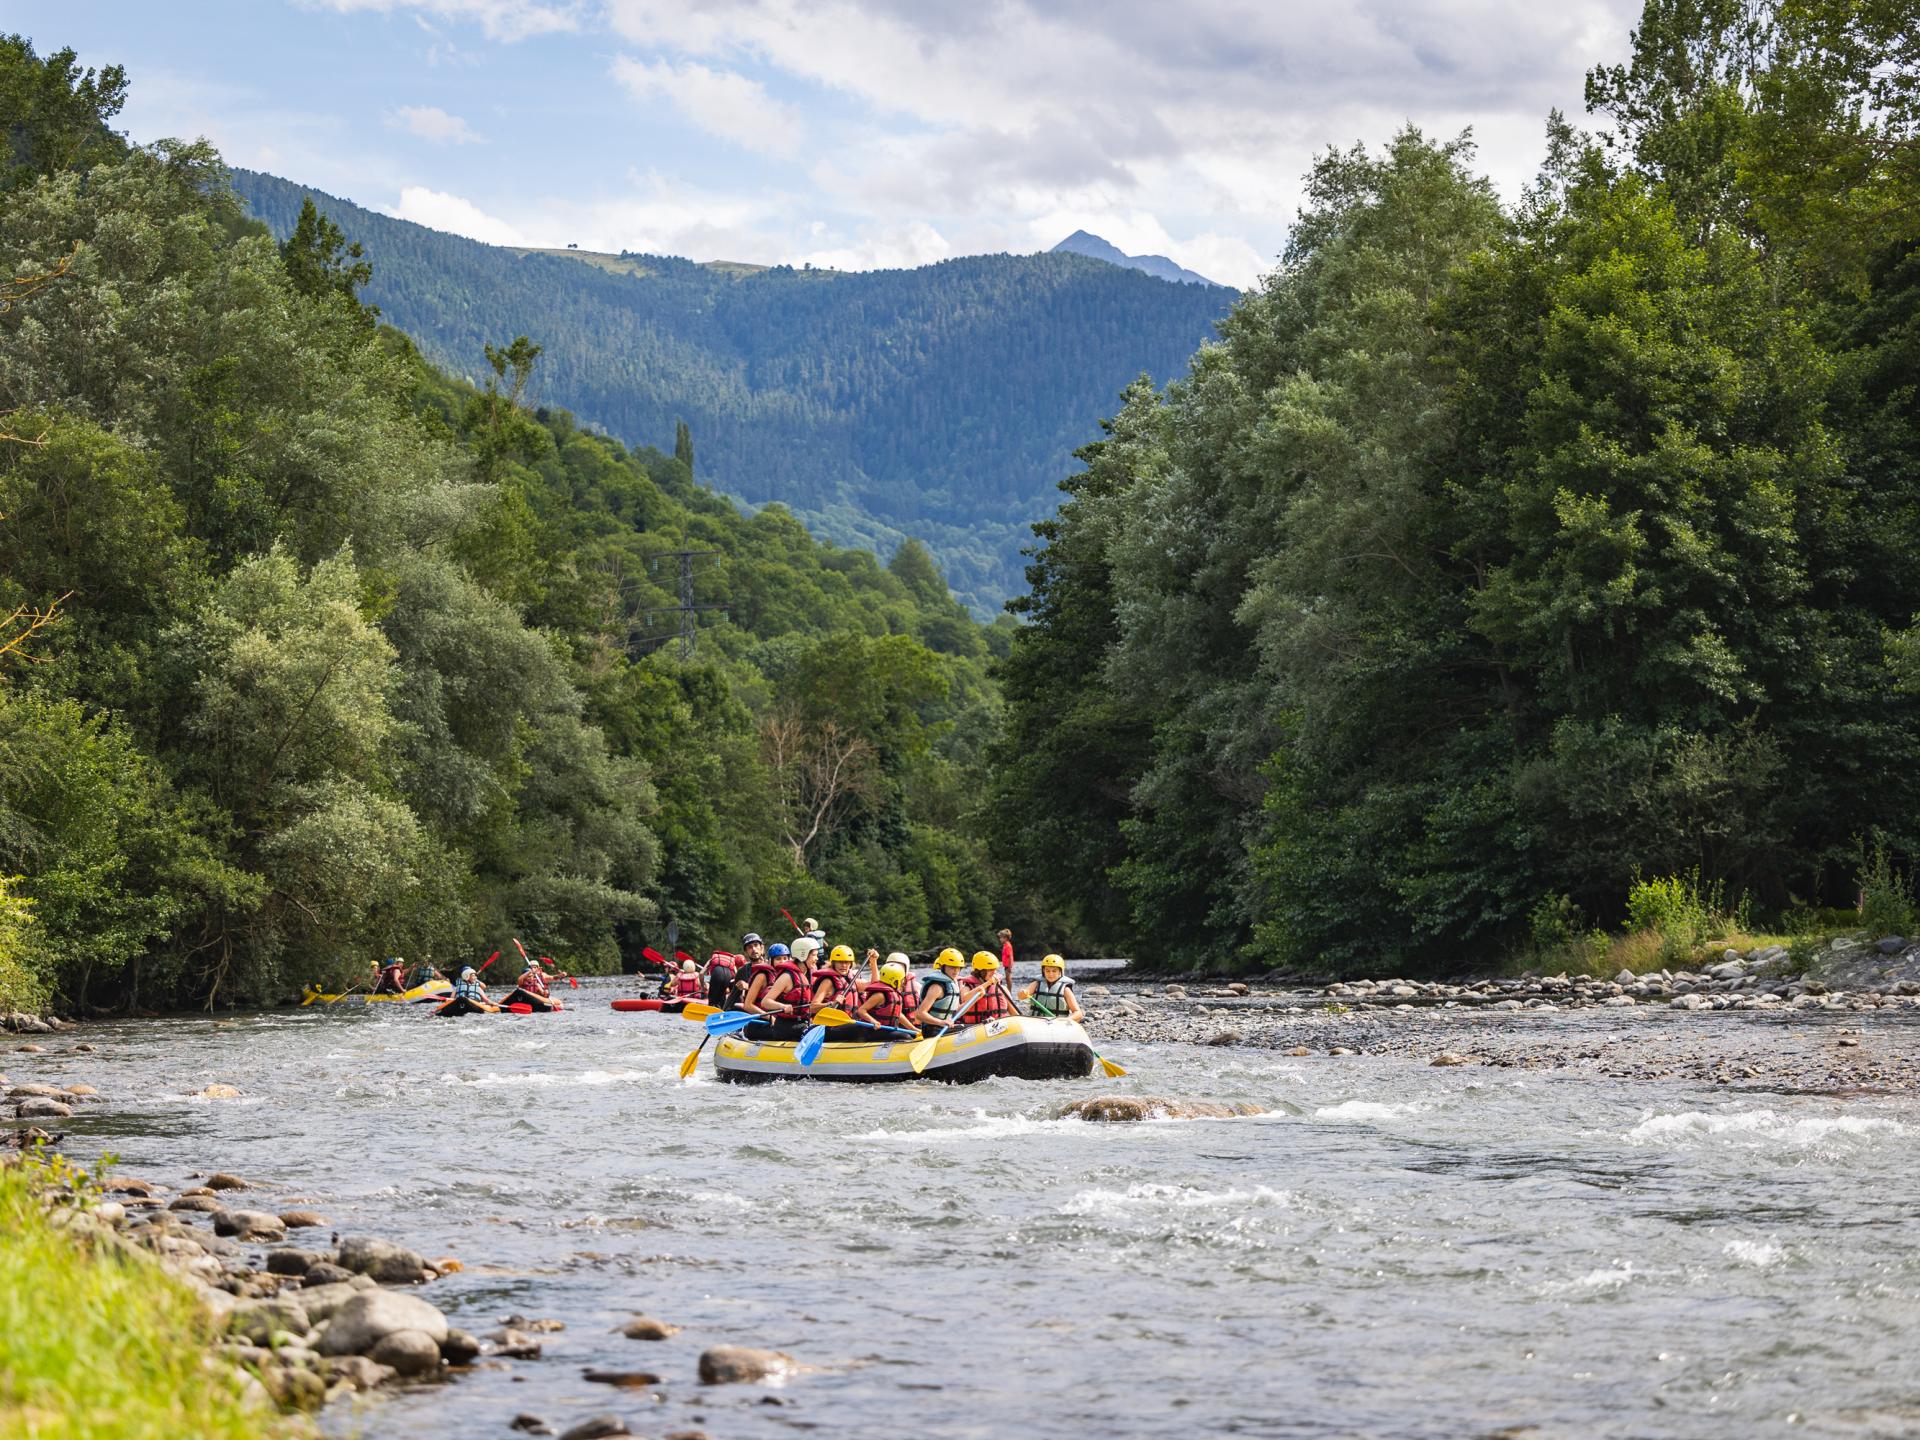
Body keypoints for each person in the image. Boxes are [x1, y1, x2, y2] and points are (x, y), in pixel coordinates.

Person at [911, 948, 968, 1033]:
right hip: (933, 1030)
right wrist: (940, 1022)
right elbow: (920, 1014)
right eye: (952, 967)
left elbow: (956, 1011)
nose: (956, 971)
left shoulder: (953, 984)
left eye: (958, 968)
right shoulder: (937, 987)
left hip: (944, 1028)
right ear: (943, 967)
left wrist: (975, 998)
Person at [856, 960, 916, 1033]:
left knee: (910, 1035)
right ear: (894, 980)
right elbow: (861, 1010)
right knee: (906, 1037)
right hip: (873, 1031)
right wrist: (873, 1021)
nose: (903, 982)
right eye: (901, 980)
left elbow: (898, 1014)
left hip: (886, 1030)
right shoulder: (880, 995)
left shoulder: (894, 994)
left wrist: (913, 1029)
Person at [1019, 953, 1084, 1021]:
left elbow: (1078, 1013)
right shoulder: (1036, 984)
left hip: (1055, 1024)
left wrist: (1067, 1019)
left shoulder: (1065, 989)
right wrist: (1022, 992)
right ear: (1043, 971)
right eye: (1047, 971)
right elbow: (1021, 996)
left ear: (1060, 972)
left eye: (1054, 971)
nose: (1050, 974)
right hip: (1036, 1021)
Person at [960, 952, 1017, 1021]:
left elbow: (1015, 1014)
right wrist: (987, 983)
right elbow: (964, 998)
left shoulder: (1002, 989)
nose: (994, 972)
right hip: (974, 1027)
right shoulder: (967, 987)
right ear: (980, 971)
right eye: (990, 970)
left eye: (994, 969)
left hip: (999, 1027)